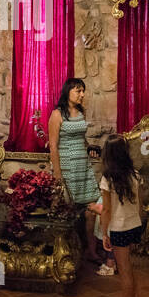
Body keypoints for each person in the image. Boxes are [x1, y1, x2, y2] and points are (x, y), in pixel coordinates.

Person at [48, 77, 108, 273]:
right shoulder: (57, 114)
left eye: (83, 91)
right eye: (78, 91)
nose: (82, 94)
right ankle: (66, 253)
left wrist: (89, 148)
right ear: (68, 92)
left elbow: (81, 139)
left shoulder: (81, 112)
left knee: (92, 210)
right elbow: (53, 146)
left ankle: (91, 251)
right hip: (67, 168)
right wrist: (58, 174)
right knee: (67, 211)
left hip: (83, 166)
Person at [99, 134, 143, 297]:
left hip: (119, 228)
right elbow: (140, 204)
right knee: (130, 267)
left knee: (124, 270)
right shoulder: (135, 175)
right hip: (134, 225)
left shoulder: (108, 179)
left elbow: (106, 210)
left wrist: (104, 233)